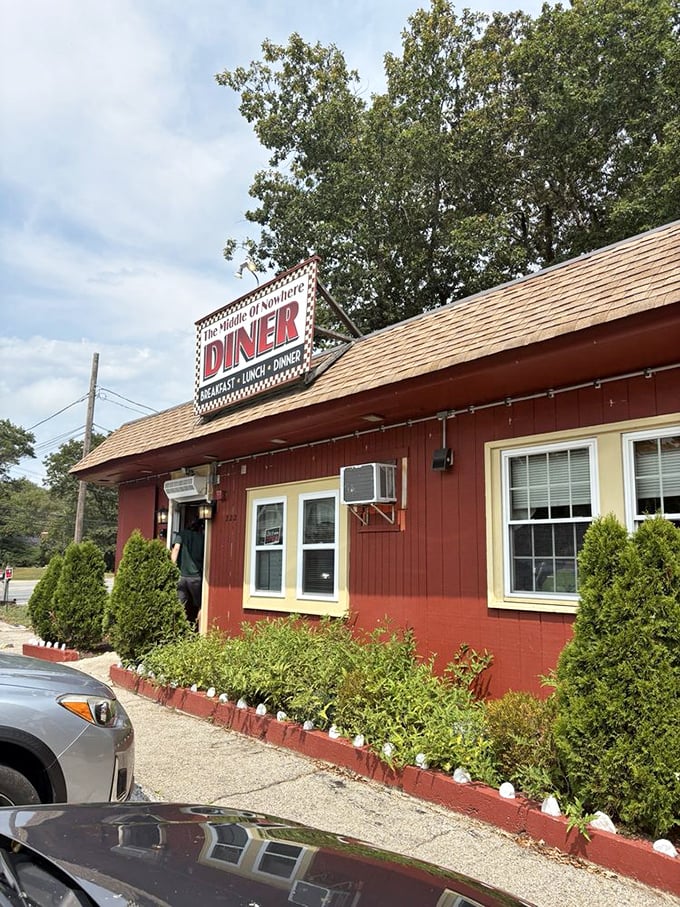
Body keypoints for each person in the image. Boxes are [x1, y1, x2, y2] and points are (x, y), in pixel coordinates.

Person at [171, 518, 204, 625]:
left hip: (181, 576)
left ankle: (179, 628)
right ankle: (199, 629)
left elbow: (176, 549)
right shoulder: (203, 537)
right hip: (195, 577)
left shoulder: (181, 534)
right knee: (201, 605)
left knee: (180, 605)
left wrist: (171, 568)